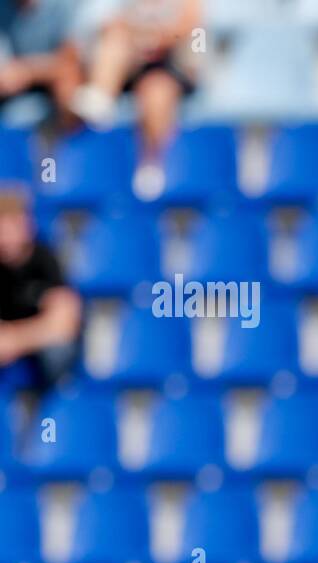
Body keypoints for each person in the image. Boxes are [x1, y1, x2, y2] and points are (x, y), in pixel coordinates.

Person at [68, 0, 203, 199]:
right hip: (134, 62)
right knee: (114, 43)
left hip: (172, 67)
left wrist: (147, 38)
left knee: (156, 90)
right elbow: (110, 26)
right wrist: (142, 39)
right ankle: (101, 96)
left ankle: (151, 162)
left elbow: (186, 30)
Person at [0, 182, 80, 391]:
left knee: (58, 351)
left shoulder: (45, 261)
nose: (5, 235)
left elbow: (65, 323)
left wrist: (15, 340)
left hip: (39, 355)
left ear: (26, 225)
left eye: (11, 223)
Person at [0, 0, 81, 128]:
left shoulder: (63, 6)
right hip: (18, 100)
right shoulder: (3, 10)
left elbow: (70, 63)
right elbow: (6, 76)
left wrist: (28, 71)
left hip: (60, 93)